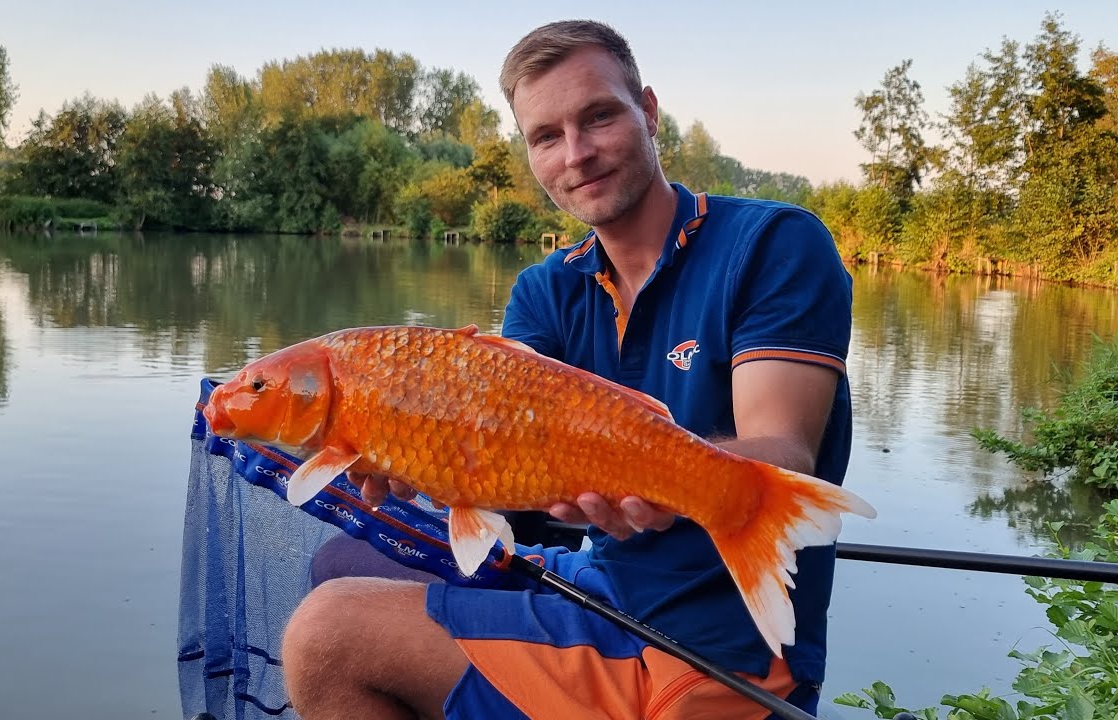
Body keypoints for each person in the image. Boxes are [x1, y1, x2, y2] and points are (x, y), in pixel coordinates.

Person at [280, 18, 854, 720]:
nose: (576, 154)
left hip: (712, 649)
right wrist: (420, 463)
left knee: (325, 636)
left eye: (599, 117)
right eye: (546, 136)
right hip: (598, 585)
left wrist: (649, 471)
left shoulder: (772, 242)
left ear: (647, 111)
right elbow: (522, 500)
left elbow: (787, 453)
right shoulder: (545, 290)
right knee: (342, 562)